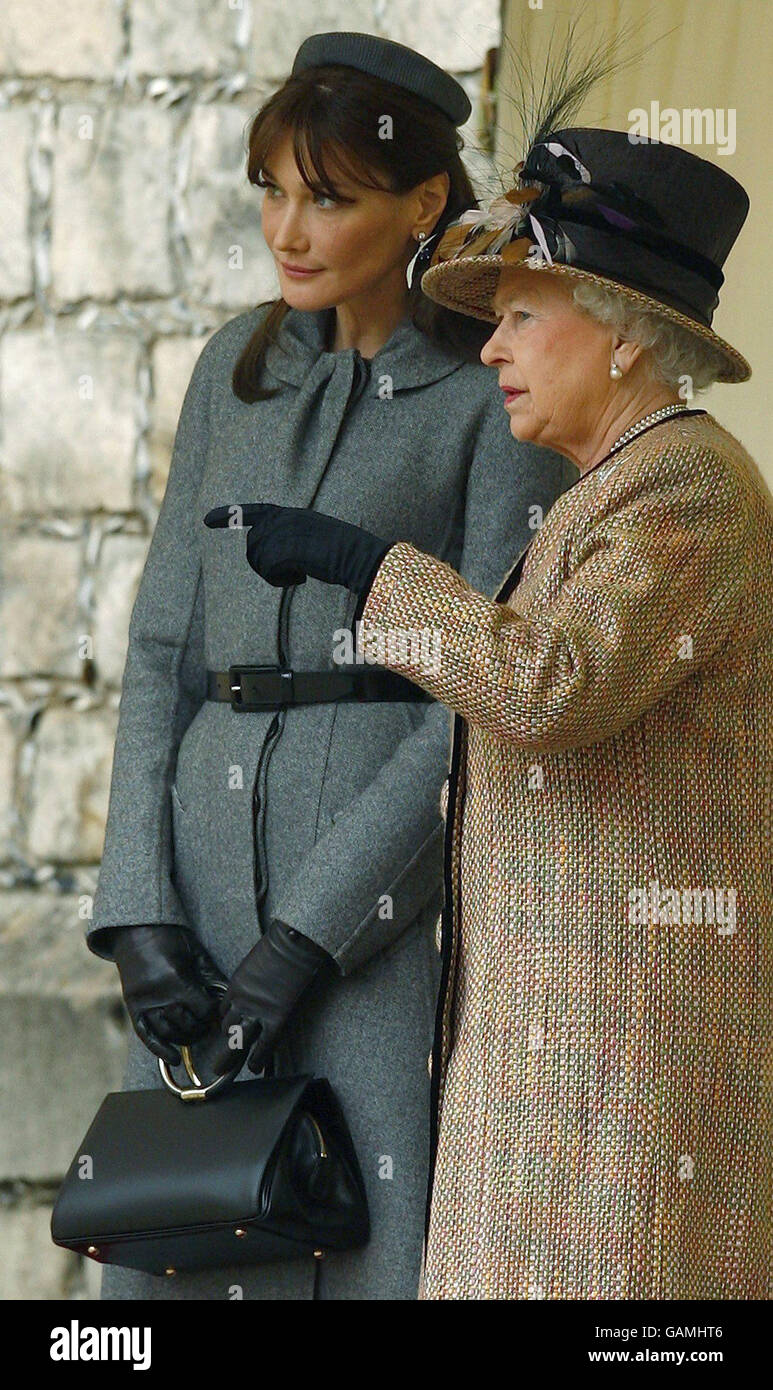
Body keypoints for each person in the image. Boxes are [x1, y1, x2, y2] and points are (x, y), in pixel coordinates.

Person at [223, 124, 773, 1298]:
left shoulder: (682, 488)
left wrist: (370, 569)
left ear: (622, 335)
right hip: (554, 1066)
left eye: (522, 316)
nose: (490, 351)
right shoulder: (617, 486)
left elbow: (543, 686)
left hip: (623, 1077)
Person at [84, 32, 574, 1301]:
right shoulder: (227, 372)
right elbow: (158, 654)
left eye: (329, 195)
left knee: (357, 1225)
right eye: (271, 190)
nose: (285, 229)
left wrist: (312, 933)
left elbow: (483, 695)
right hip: (197, 881)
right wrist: (138, 909)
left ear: (423, 201)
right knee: (181, 1233)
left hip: (374, 908)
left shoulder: (490, 393)